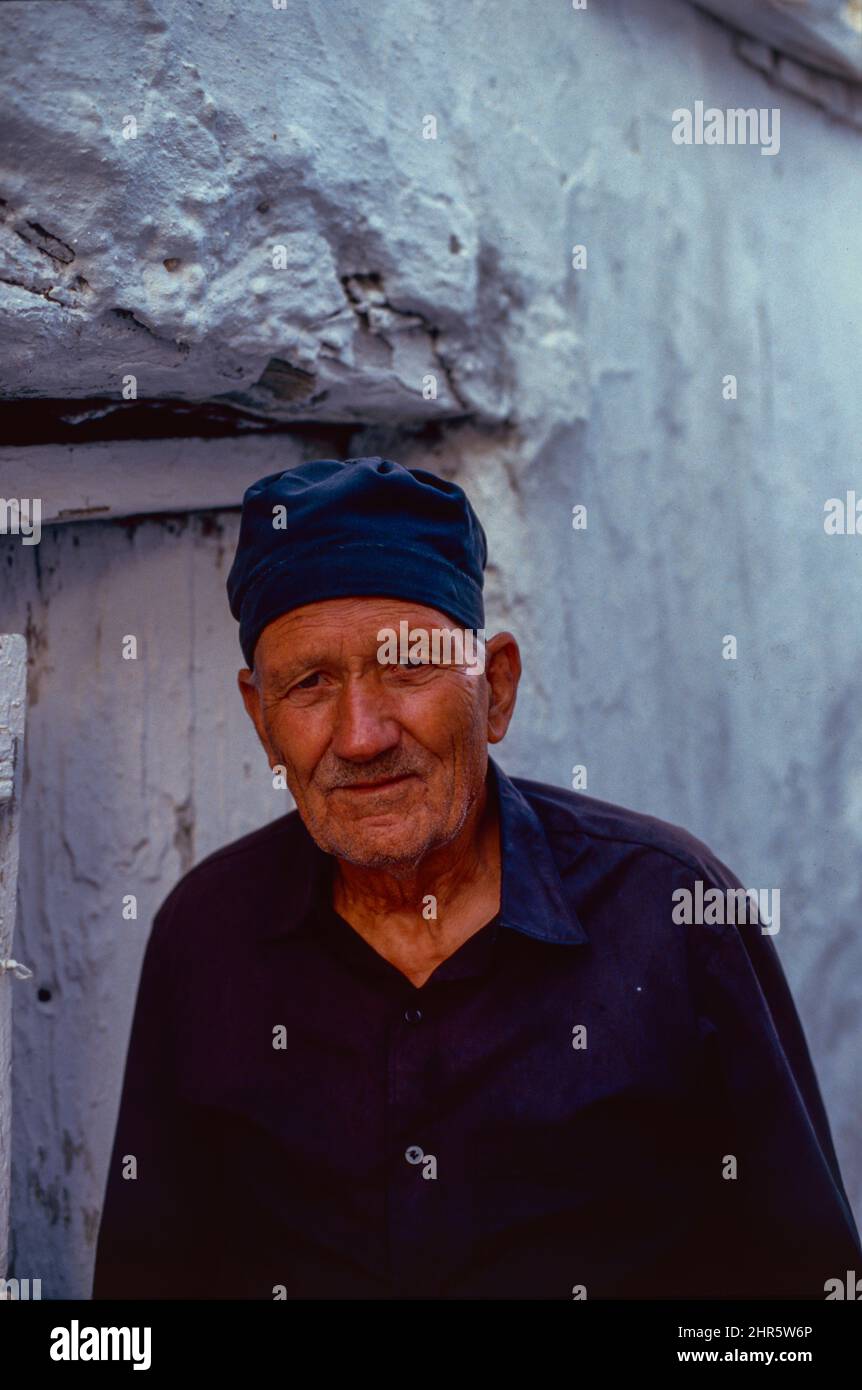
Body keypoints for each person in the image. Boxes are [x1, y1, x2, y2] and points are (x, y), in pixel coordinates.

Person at [93, 456, 861, 1299]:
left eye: (407, 668)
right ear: (262, 721)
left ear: (494, 689)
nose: (360, 736)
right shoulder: (208, 938)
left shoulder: (671, 910)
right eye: (310, 684)